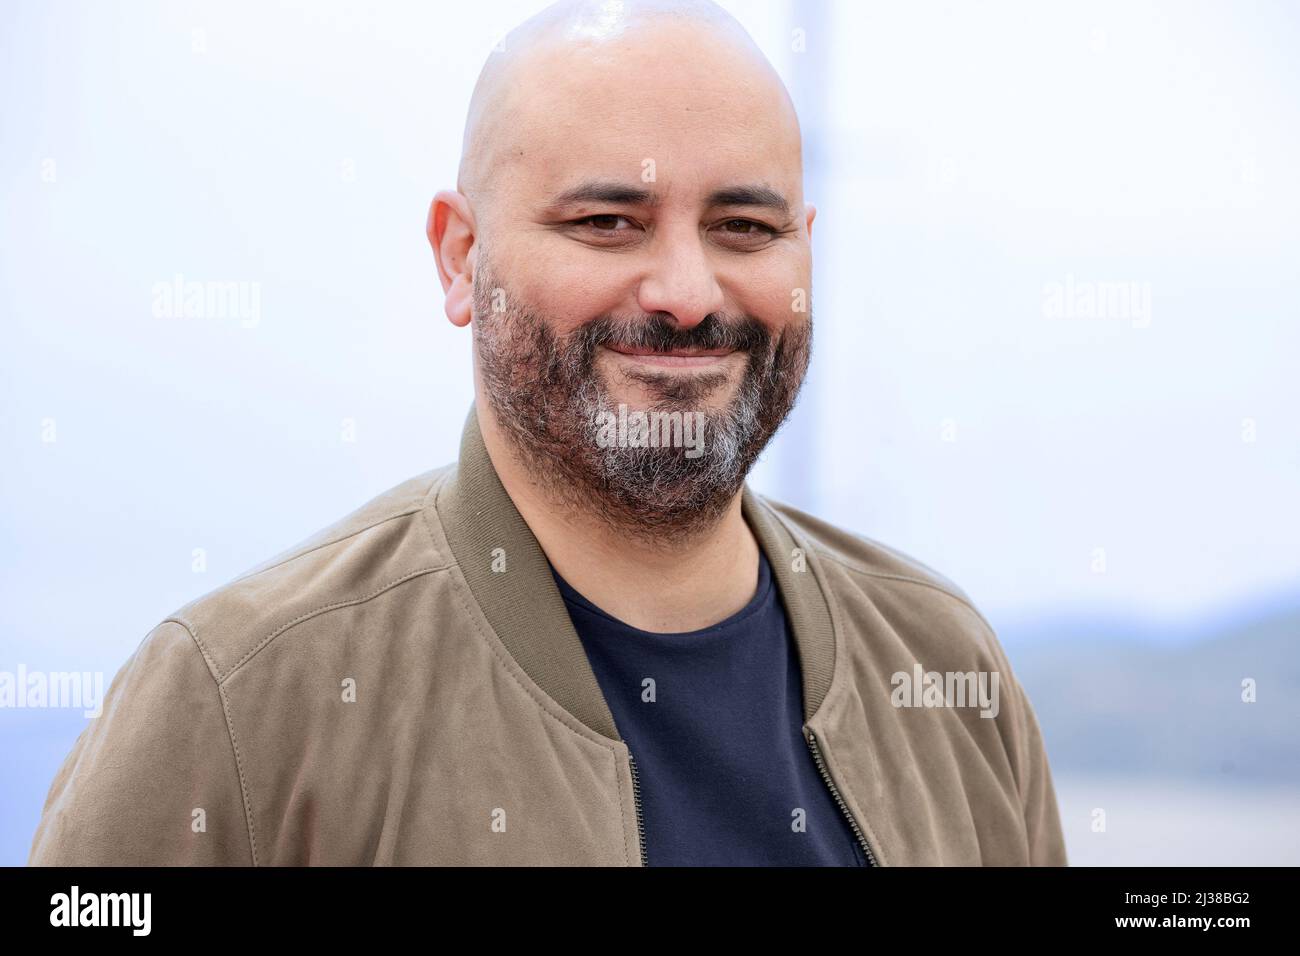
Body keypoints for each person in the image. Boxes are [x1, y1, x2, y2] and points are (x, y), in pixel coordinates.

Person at [29, 0, 1067, 866]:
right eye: (607, 223)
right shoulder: (238, 701)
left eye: (743, 228)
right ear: (459, 256)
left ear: (802, 252)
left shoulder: (940, 666)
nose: (685, 291)